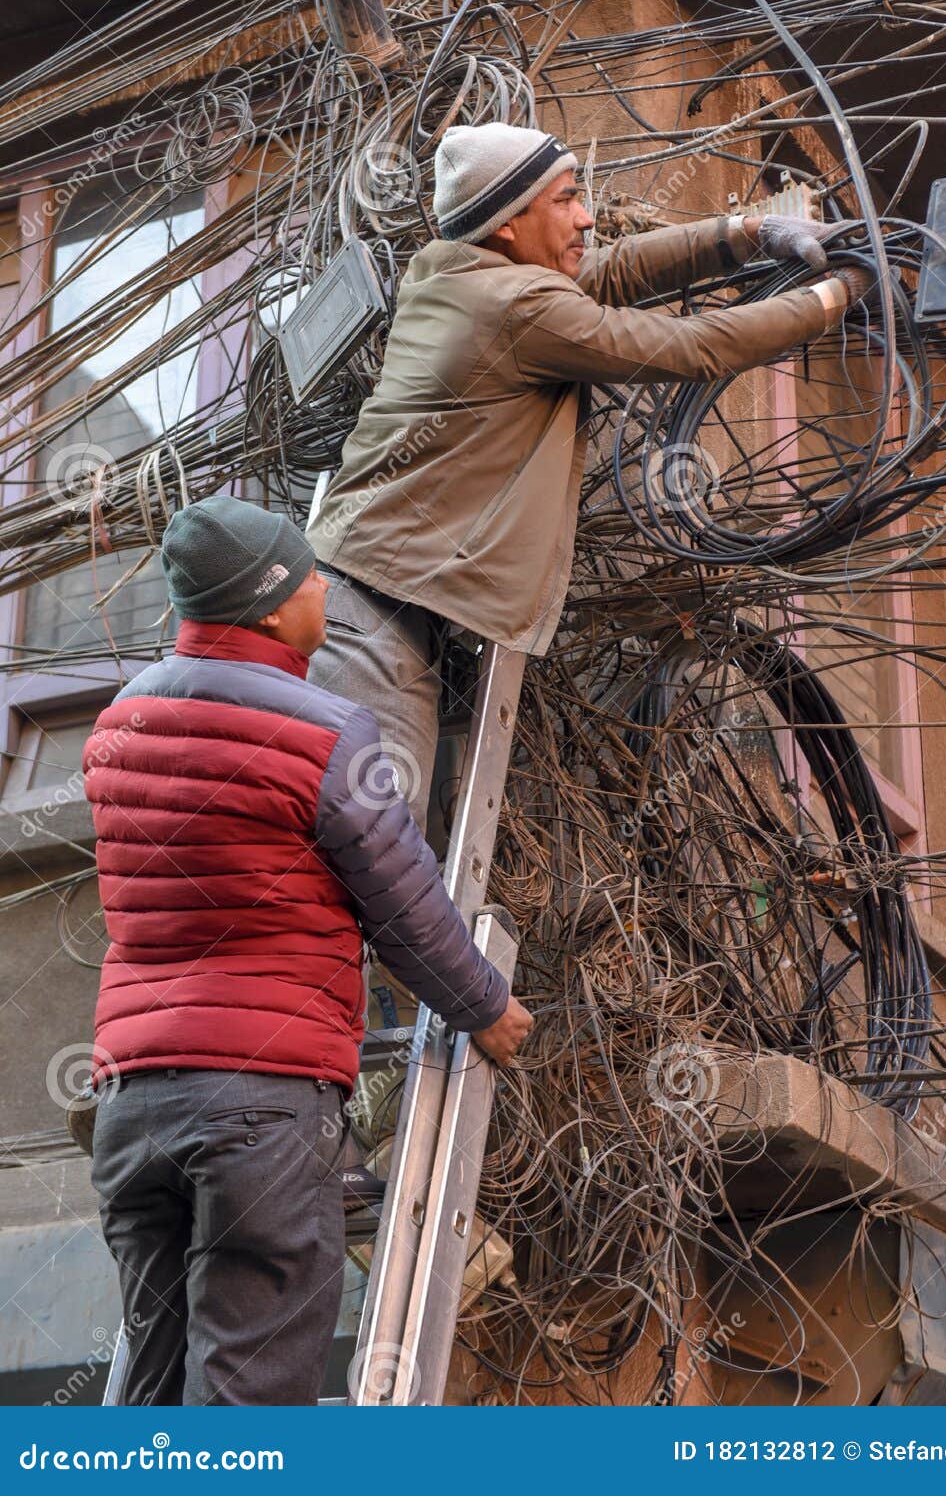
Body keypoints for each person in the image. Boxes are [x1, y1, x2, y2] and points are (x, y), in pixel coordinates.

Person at [84, 494, 533, 1406]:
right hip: (259, 1108)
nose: (324, 586)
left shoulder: (116, 725)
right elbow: (404, 904)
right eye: (307, 575)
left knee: (150, 1390)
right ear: (270, 603)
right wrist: (488, 1005)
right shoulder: (326, 732)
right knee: (247, 1394)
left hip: (130, 1107)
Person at [306, 121, 872, 831]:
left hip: (380, 596)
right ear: (509, 224)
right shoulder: (518, 309)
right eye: (566, 200)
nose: (586, 217)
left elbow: (621, 269)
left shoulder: (461, 274)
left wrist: (752, 231)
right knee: (376, 850)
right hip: (372, 615)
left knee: (385, 846)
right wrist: (835, 296)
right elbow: (693, 348)